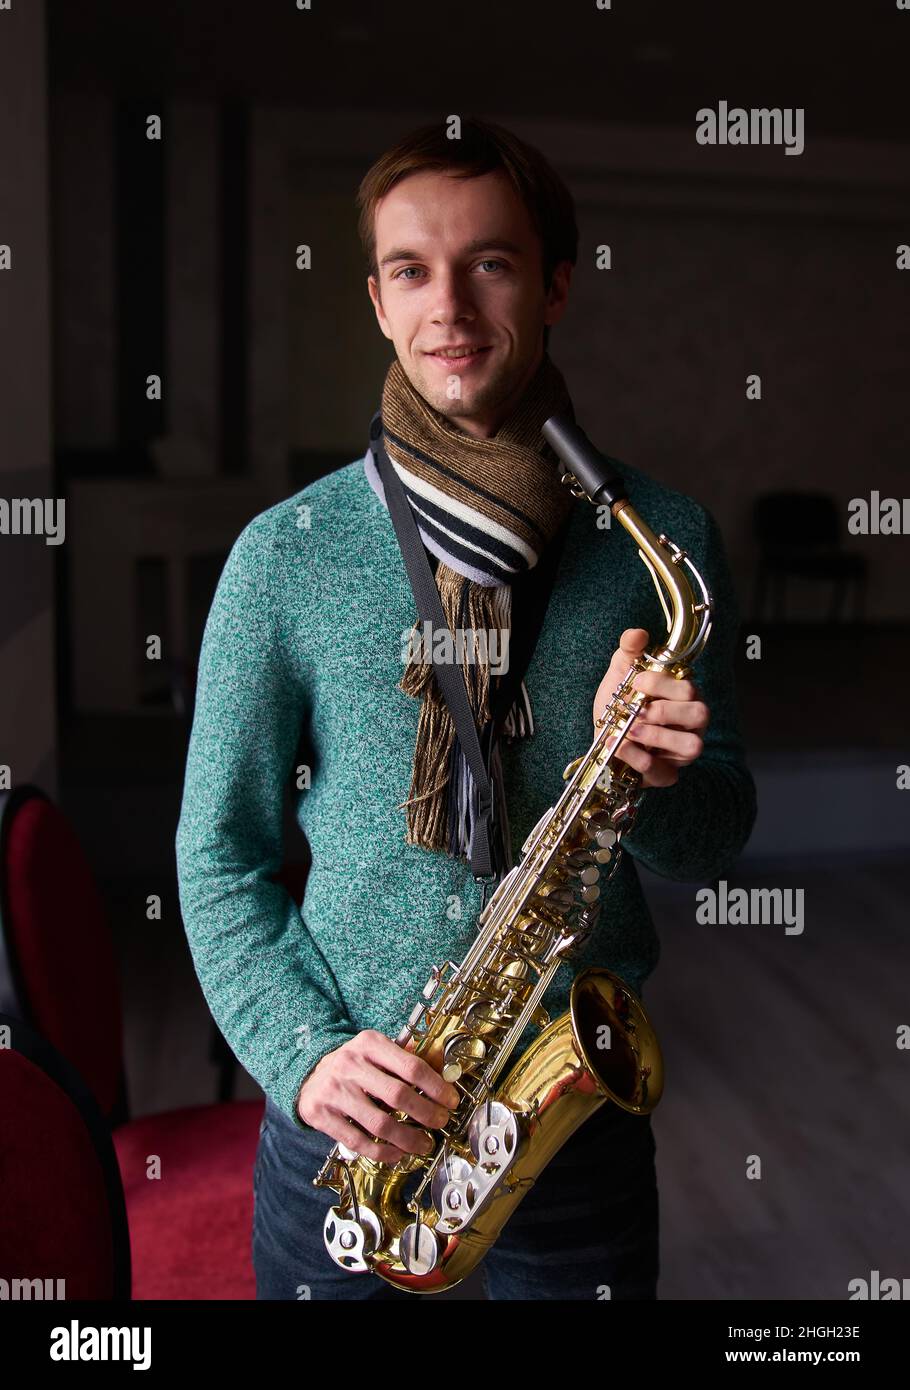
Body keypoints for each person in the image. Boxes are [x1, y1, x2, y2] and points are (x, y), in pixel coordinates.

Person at [175, 117, 756, 1301]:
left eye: (488, 262)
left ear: (552, 286)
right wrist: (302, 1057)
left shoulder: (663, 540)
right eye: (410, 269)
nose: (448, 305)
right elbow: (218, 853)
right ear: (378, 301)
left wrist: (653, 784)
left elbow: (718, 833)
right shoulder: (283, 554)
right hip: (350, 1141)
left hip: (568, 1130)